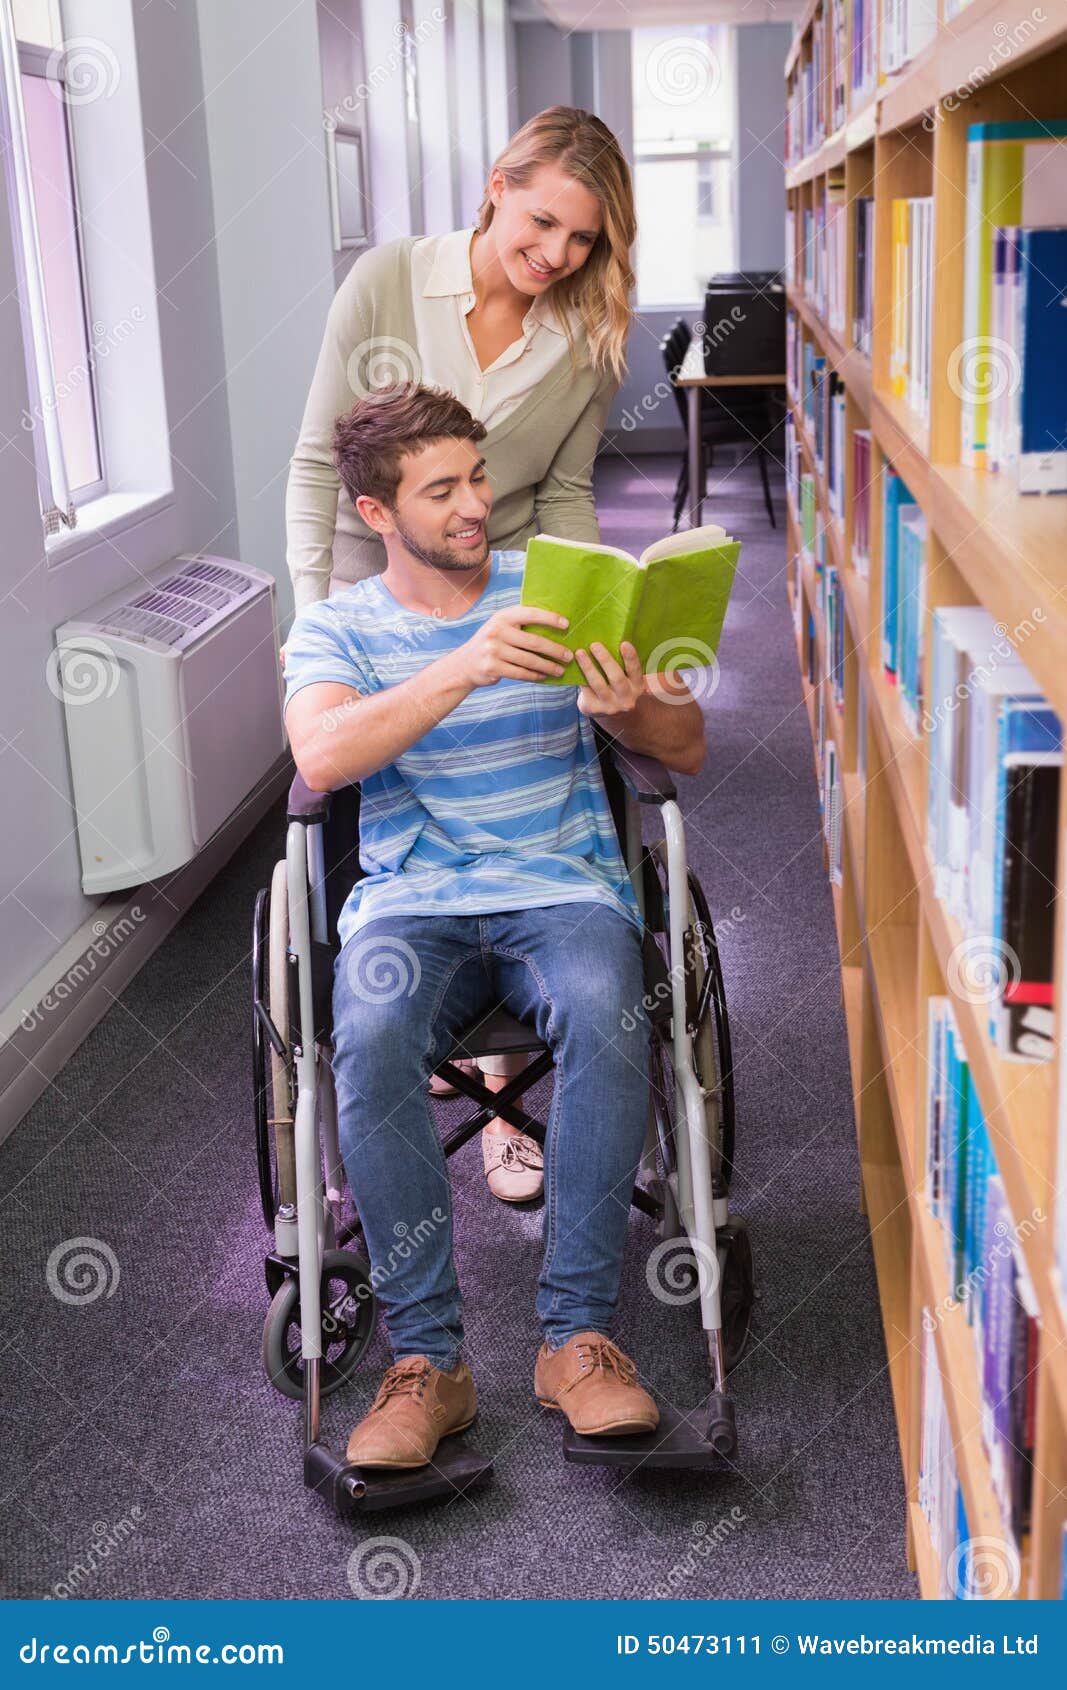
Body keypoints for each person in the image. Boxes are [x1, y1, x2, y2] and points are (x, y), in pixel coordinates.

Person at [282, 385, 706, 1470]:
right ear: (378, 513)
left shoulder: (556, 589)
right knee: (367, 1037)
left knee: (614, 1005)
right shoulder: (336, 626)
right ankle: (429, 1363)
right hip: (410, 909)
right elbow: (321, 759)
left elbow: (686, 743)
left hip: (559, 887)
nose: (475, 503)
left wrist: (625, 707)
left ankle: (575, 1339)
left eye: (477, 476)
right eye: (442, 489)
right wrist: (462, 665)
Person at [284, 106, 637, 1200]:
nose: (557, 257)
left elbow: (565, 493)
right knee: (372, 817)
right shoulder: (388, 282)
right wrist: (318, 628)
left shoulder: (583, 337)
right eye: (542, 223)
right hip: (372, 587)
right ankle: (428, 1008)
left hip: (506, 589)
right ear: (496, 186)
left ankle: (500, 1087)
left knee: (517, 796)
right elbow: (311, 465)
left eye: (582, 241)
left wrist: (589, 610)